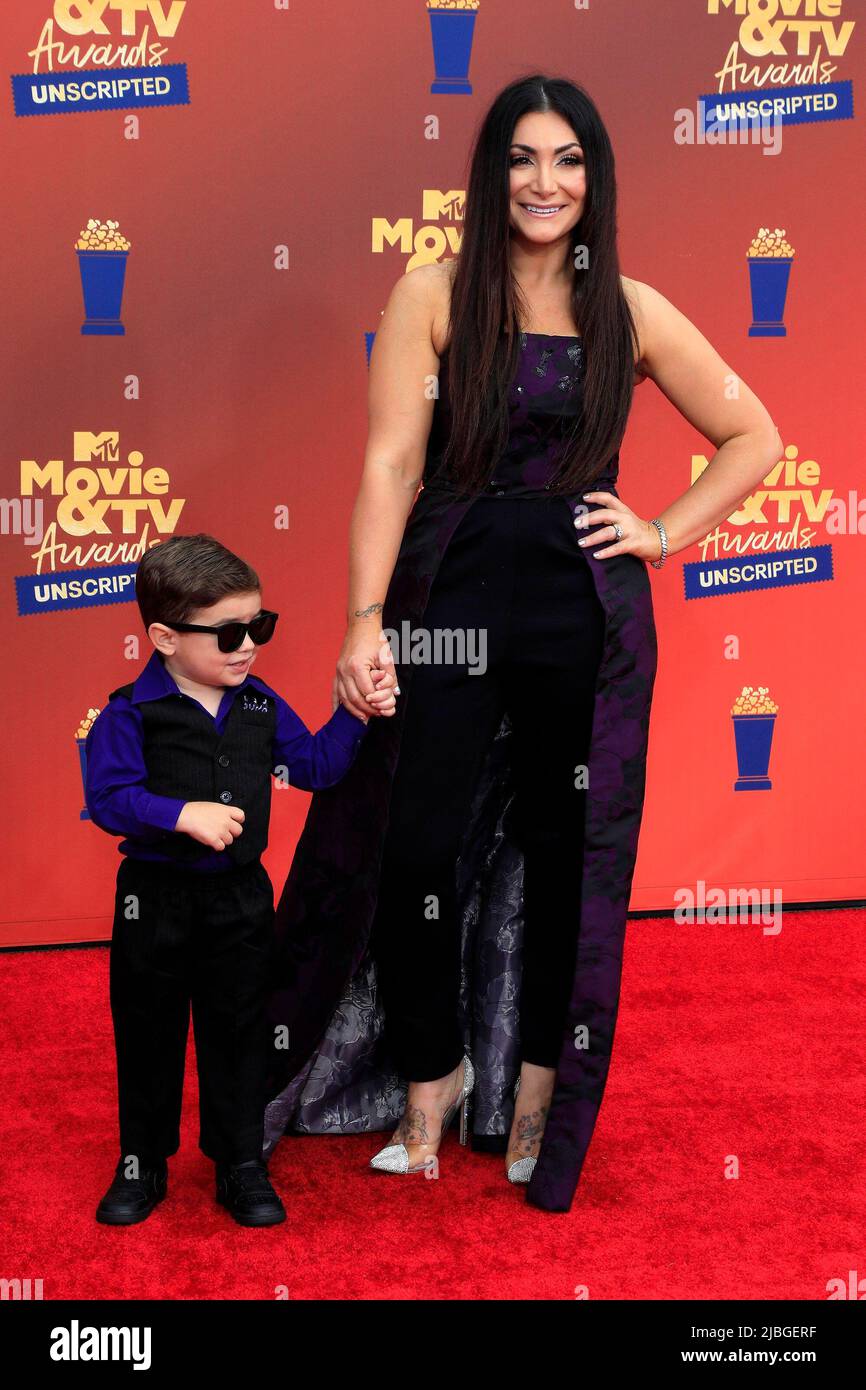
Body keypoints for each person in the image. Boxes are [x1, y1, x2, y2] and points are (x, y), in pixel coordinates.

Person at [262, 74, 781, 1212]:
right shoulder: (434, 292)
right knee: (412, 843)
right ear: (488, 174)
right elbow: (392, 464)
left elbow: (753, 435)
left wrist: (656, 532)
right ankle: (433, 1071)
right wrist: (362, 619)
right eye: (520, 159)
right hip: (443, 603)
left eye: (567, 161)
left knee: (563, 861)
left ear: (594, 180)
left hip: (578, 617)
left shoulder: (628, 310)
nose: (543, 183)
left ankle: (540, 1090)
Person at [83, 533, 394, 1226]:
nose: (248, 645)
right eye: (229, 633)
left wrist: (356, 713)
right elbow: (107, 799)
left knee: (239, 1031)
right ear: (164, 638)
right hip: (152, 903)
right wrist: (178, 813)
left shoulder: (260, 705)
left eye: (259, 626)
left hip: (241, 902)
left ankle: (240, 1163)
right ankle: (142, 1164)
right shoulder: (129, 713)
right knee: (148, 1033)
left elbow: (314, 766)